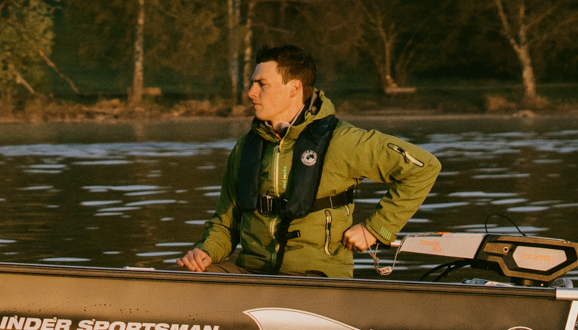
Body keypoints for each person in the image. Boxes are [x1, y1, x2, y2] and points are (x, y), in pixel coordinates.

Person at [179, 45, 441, 279]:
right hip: (252, 273)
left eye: (261, 84)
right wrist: (205, 252)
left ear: (294, 88)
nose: (250, 92)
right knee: (184, 279)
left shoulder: (343, 141)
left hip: (317, 278)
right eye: (252, 83)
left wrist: (374, 229)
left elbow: (424, 167)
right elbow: (224, 224)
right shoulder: (245, 148)